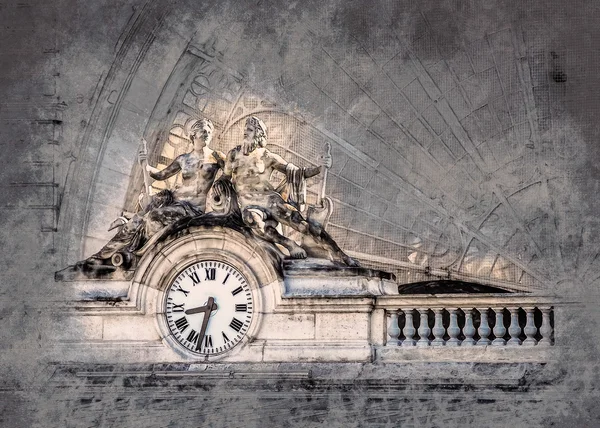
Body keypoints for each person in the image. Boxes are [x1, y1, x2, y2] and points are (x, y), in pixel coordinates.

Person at [216, 116, 359, 266]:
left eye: (250, 130)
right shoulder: (234, 154)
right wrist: (219, 184)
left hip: (269, 200)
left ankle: (341, 256)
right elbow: (225, 176)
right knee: (251, 219)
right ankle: (289, 244)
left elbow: (296, 172)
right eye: (245, 130)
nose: (245, 132)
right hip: (248, 203)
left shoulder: (266, 156)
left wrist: (320, 168)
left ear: (258, 135)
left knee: (303, 225)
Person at [89, 118, 225, 264]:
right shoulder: (183, 159)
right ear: (193, 135)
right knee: (140, 220)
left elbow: (230, 173)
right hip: (175, 201)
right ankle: (103, 255)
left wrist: (221, 186)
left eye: (209, 132)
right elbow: (161, 175)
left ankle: (140, 253)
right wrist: (145, 164)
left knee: (153, 216)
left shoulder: (216, 156)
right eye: (203, 131)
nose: (207, 134)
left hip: (194, 209)